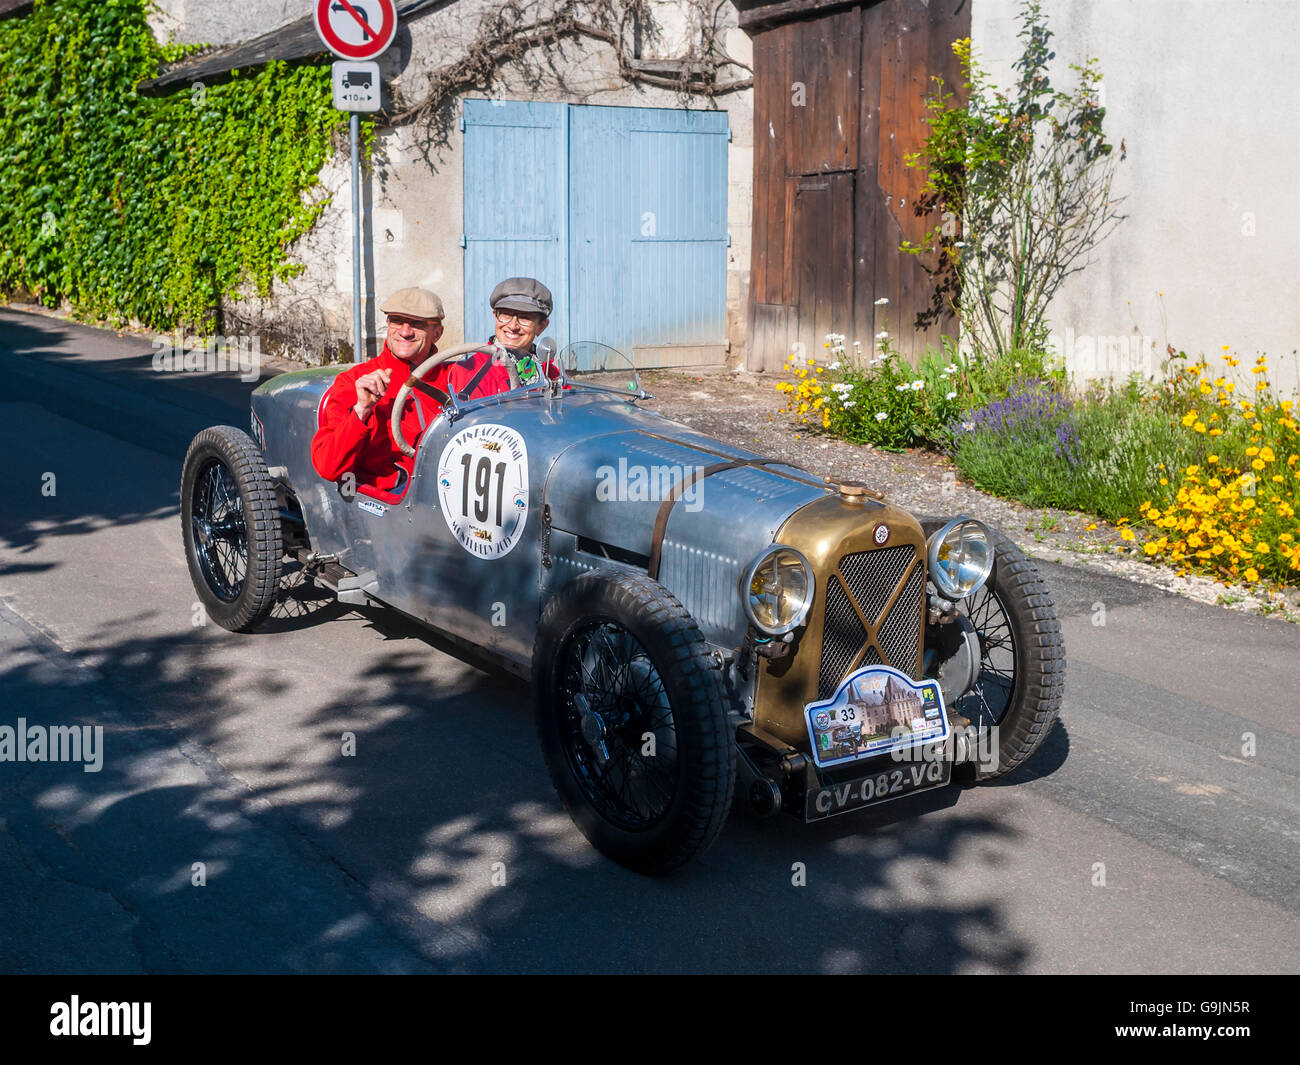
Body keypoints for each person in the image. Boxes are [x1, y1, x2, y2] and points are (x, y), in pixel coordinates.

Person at [311, 286, 456, 493]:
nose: (405, 332)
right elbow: (328, 467)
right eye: (397, 321)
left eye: (417, 324)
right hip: (395, 498)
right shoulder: (354, 381)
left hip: (452, 487)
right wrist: (361, 411)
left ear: (437, 333)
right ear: (388, 325)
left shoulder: (456, 376)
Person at [450, 277, 559, 398]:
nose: (513, 326)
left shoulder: (551, 375)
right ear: (495, 317)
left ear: (541, 326)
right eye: (506, 314)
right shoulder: (469, 372)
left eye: (525, 317)